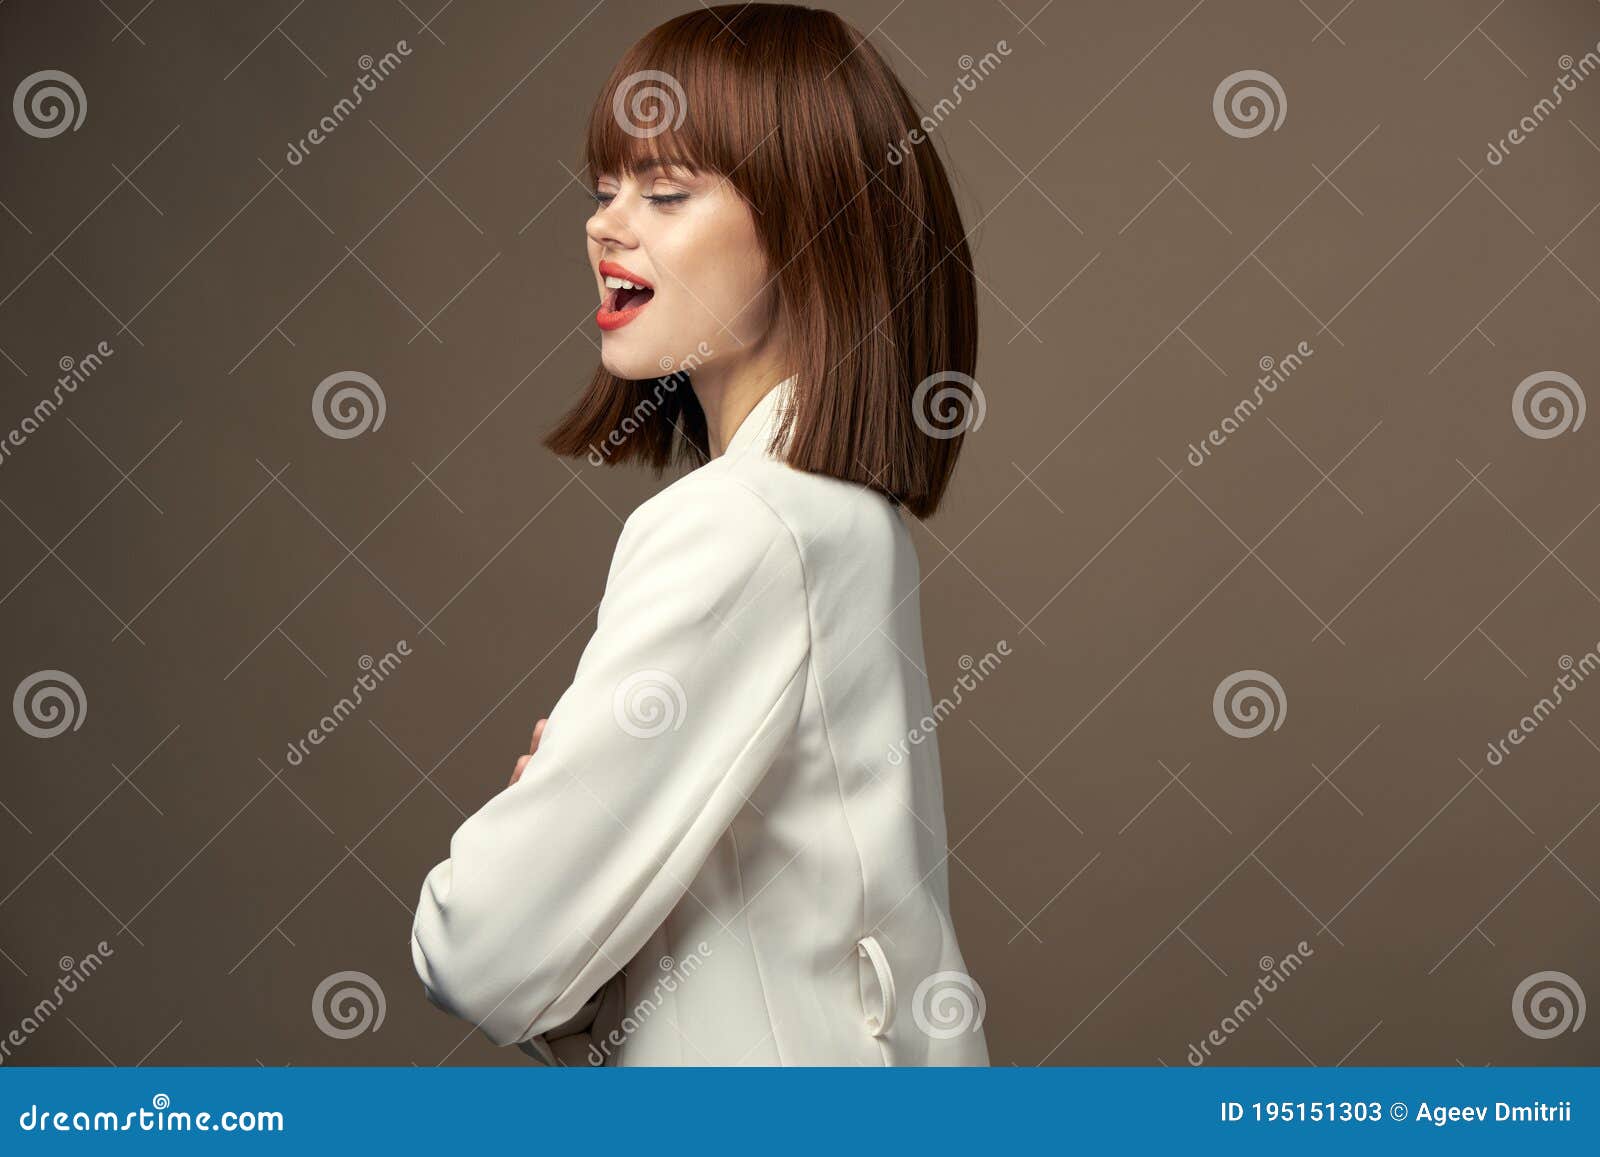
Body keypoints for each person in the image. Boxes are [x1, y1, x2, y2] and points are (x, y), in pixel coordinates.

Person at [410, 2, 989, 1066]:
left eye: (665, 192)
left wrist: (544, 800)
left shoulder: (744, 526)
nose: (605, 225)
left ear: (813, 227)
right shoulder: (842, 518)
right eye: (604, 188)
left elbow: (478, 946)